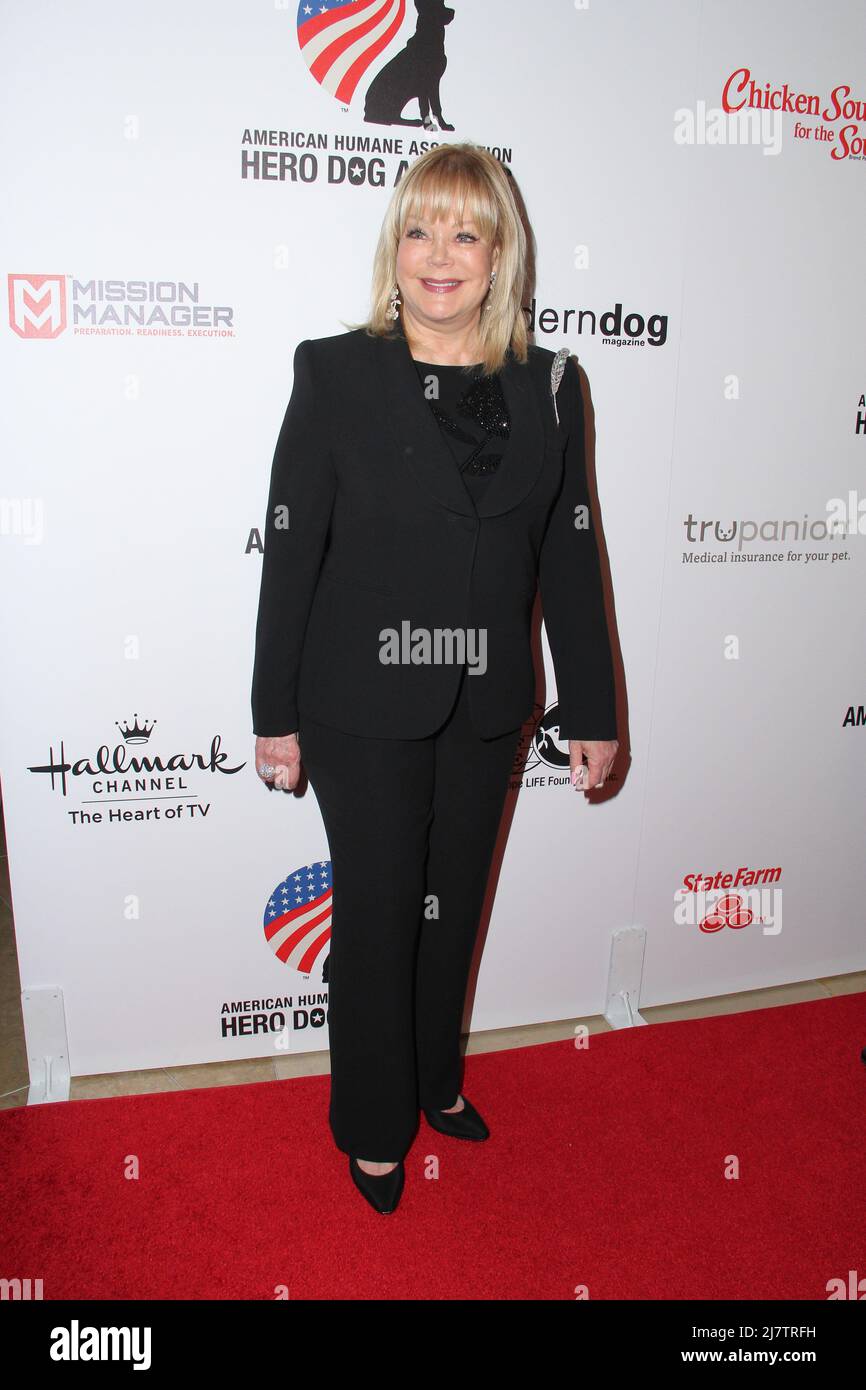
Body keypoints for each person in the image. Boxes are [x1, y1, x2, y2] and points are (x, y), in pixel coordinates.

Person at [251, 142, 618, 1214]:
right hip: (357, 705)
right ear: (393, 248)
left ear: (499, 251)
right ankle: (372, 1125)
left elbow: (568, 551)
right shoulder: (333, 370)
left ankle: (433, 1079)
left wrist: (590, 708)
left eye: (465, 230)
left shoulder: (551, 382)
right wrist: (273, 713)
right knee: (373, 917)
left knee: (449, 905)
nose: (439, 254)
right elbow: (291, 548)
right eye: (419, 229)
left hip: (485, 702)